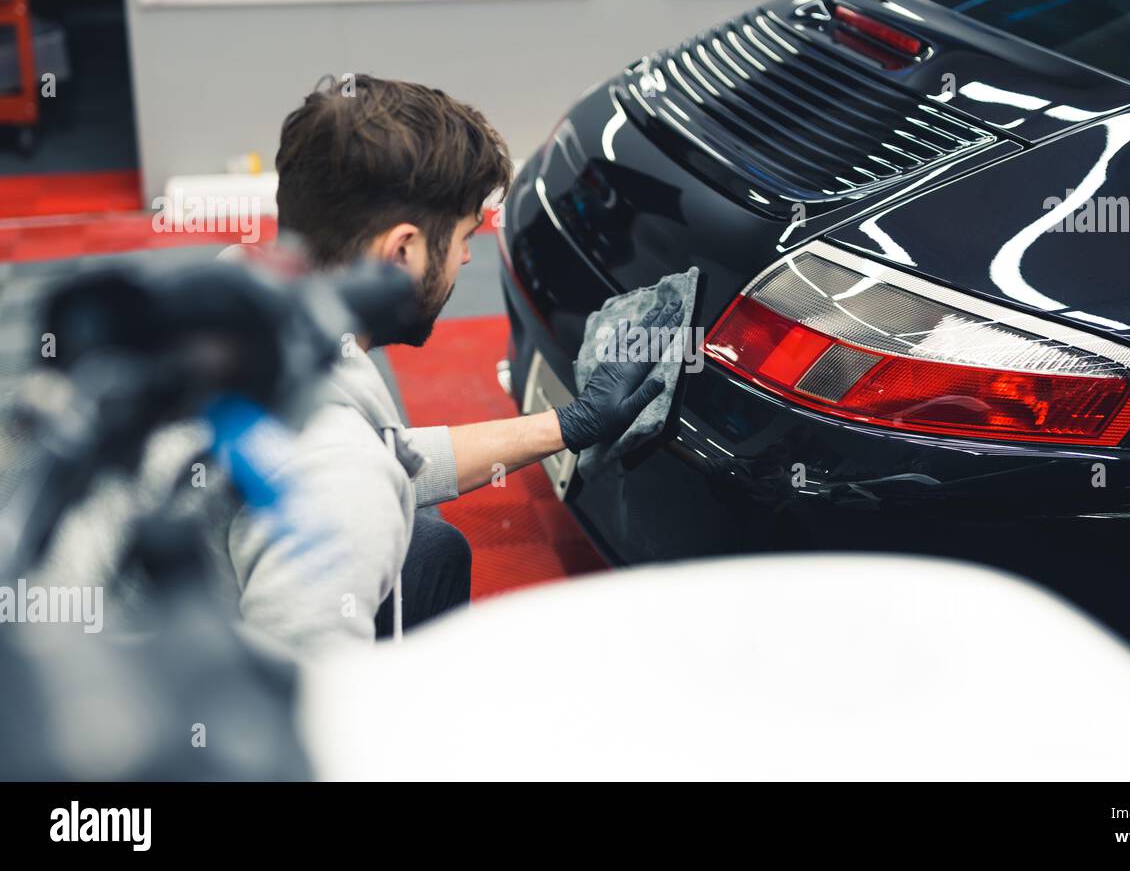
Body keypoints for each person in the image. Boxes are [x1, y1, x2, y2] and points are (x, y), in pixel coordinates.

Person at [39, 75, 673, 657]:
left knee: (430, 548)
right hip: (154, 723)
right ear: (401, 251)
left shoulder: (240, 298)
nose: (468, 263)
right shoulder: (340, 482)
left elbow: (375, 455)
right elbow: (295, 734)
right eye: (462, 240)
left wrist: (572, 423)